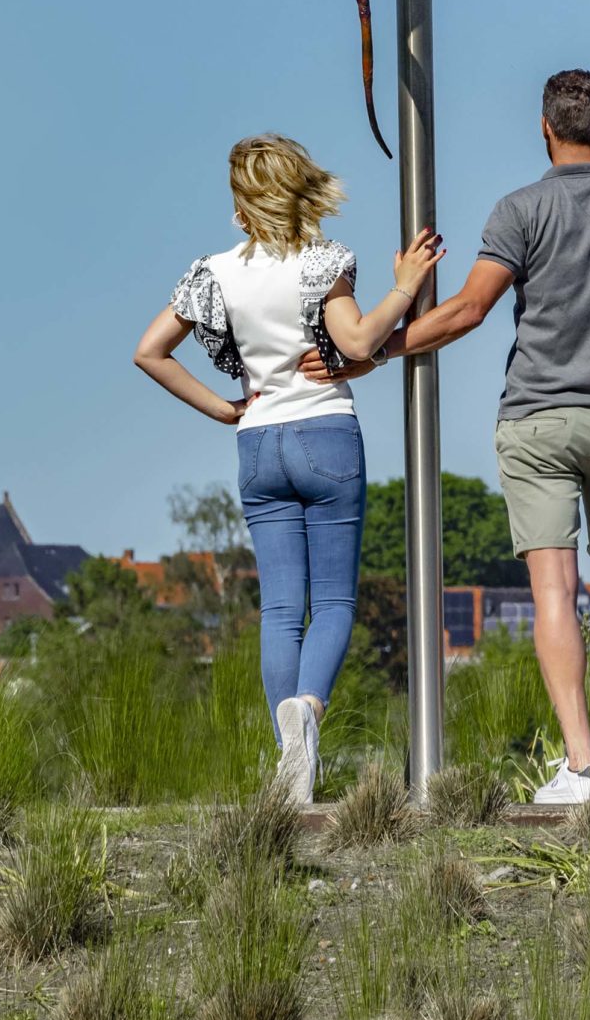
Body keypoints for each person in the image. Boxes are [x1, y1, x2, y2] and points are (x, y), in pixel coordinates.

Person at [357, 69, 590, 804]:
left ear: (542, 125)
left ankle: (580, 769)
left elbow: (468, 309)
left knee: (553, 590)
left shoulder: (519, 210)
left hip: (535, 420)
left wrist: (380, 347)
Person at [133, 133, 441, 805]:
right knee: (331, 602)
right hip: (324, 430)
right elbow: (358, 341)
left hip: (257, 440)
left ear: (242, 200)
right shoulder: (322, 261)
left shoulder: (212, 272)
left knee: (279, 610)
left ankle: (290, 769)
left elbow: (150, 351)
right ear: (301, 187)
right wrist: (404, 287)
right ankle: (307, 707)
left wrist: (222, 409)